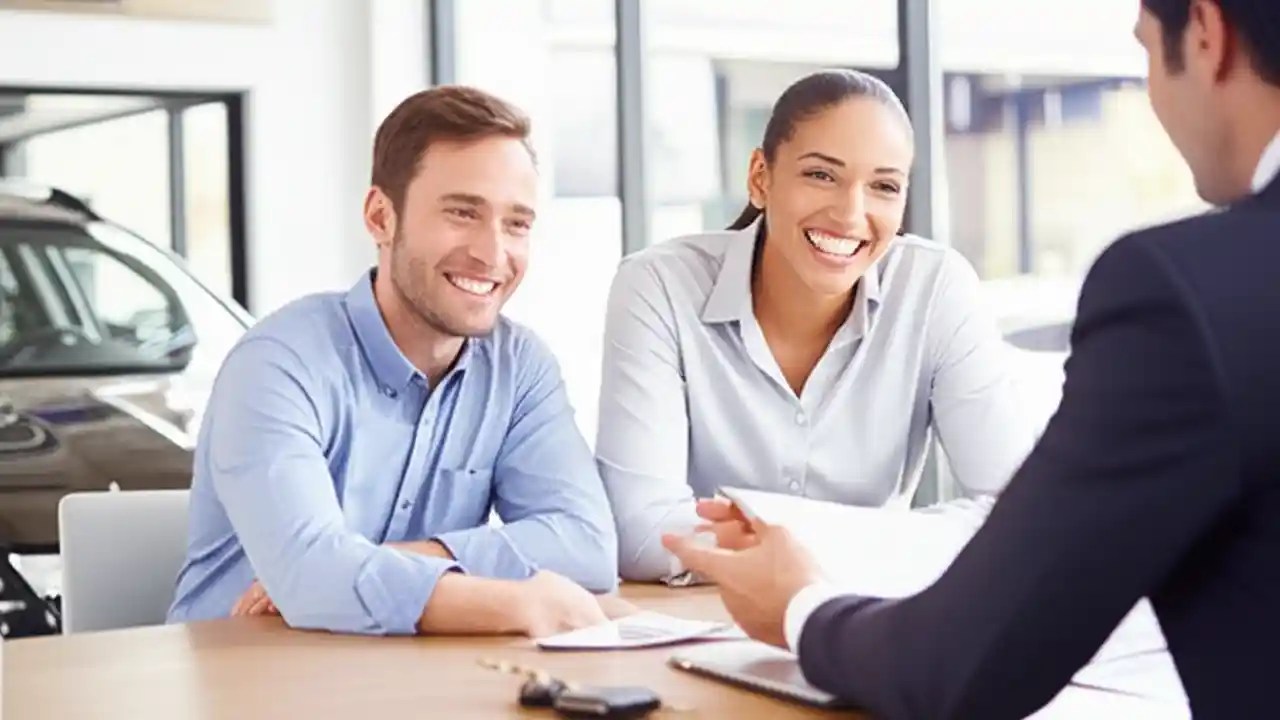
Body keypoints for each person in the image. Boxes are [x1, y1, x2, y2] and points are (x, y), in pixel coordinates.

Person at [665, 1, 1280, 717]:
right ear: (761, 177)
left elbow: (965, 660)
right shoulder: (666, 283)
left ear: (1206, 35)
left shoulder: (1185, 291)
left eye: (1145, 51)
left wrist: (802, 605)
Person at [168, 86, 621, 637]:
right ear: (381, 217)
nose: (492, 253)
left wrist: (392, 558)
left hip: (404, 674)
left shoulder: (520, 367)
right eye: (462, 212)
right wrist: (515, 604)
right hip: (244, 674)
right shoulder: (278, 363)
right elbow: (312, 580)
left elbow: (587, 545)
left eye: (517, 224)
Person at [596, 69, 1035, 582]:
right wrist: (879, 540)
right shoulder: (660, 287)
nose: (851, 215)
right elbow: (640, 533)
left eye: (884, 186)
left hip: (867, 628)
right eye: (821, 175)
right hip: (699, 627)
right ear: (761, 177)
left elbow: (1019, 515)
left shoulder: (936, 289)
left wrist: (776, 540)